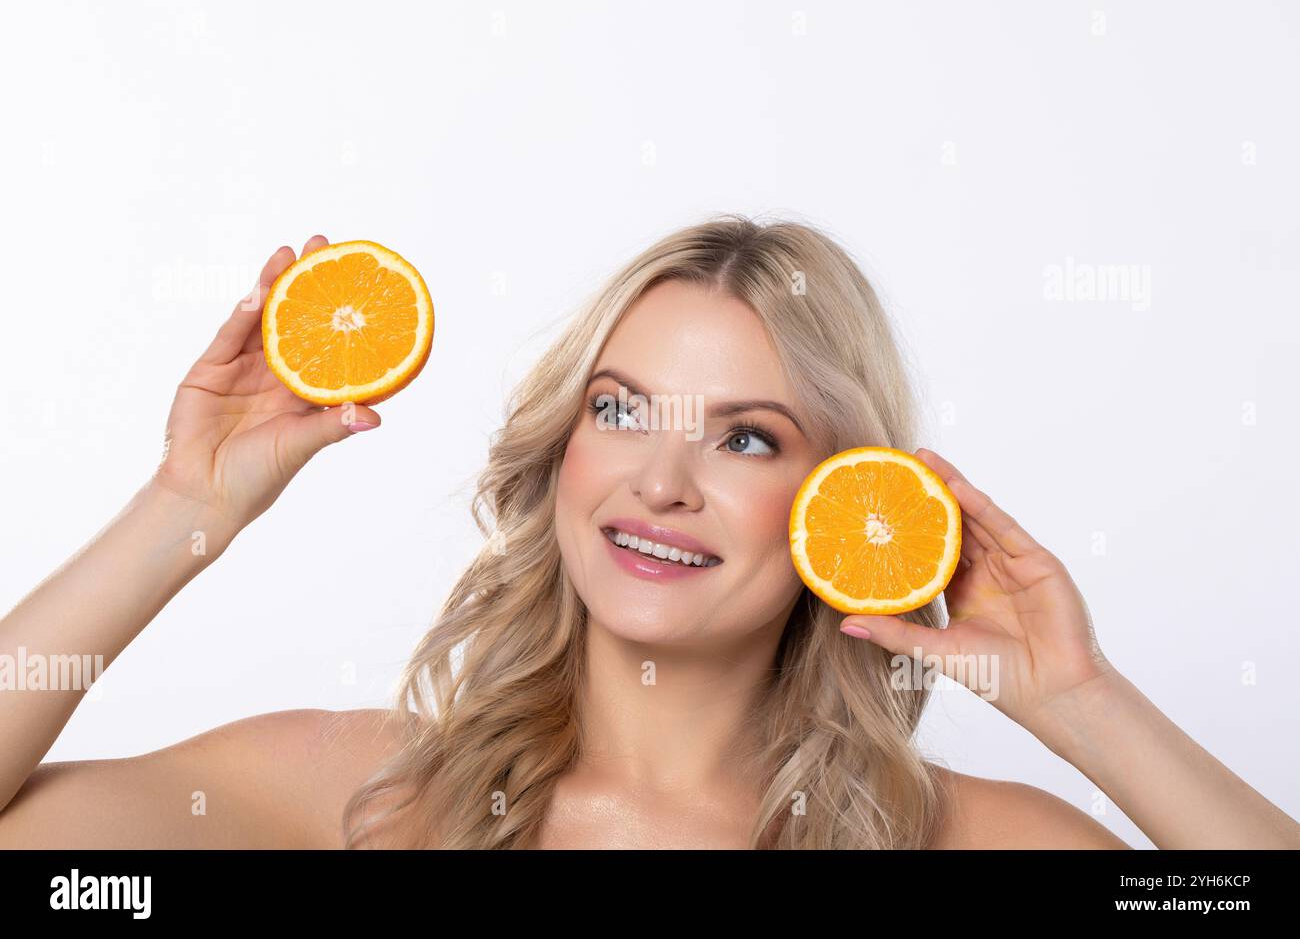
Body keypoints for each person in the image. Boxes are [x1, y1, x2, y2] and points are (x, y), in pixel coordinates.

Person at [2, 216, 1296, 849]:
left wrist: (1081, 699)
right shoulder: (366, 792)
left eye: (745, 437)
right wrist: (182, 512)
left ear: (843, 502)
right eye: (622, 411)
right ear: (564, 450)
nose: (660, 481)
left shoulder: (971, 838)